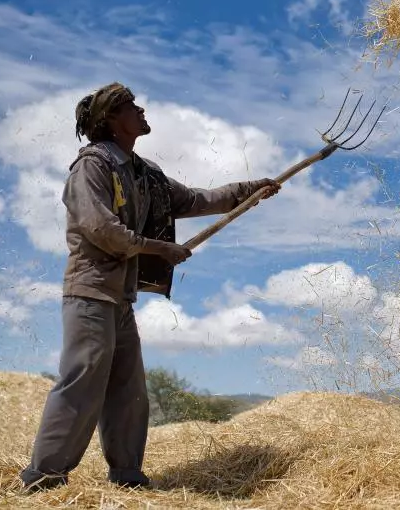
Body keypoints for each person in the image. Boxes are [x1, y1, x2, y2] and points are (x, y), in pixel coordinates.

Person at [20, 83, 281, 491]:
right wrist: (161, 248)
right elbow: (100, 228)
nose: (141, 110)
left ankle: (126, 476)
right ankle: (43, 477)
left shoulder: (144, 174)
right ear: (111, 120)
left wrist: (249, 192)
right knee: (83, 380)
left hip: (120, 297)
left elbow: (195, 199)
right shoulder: (92, 166)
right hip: (90, 292)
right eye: (131, 106)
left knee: (128, 388)